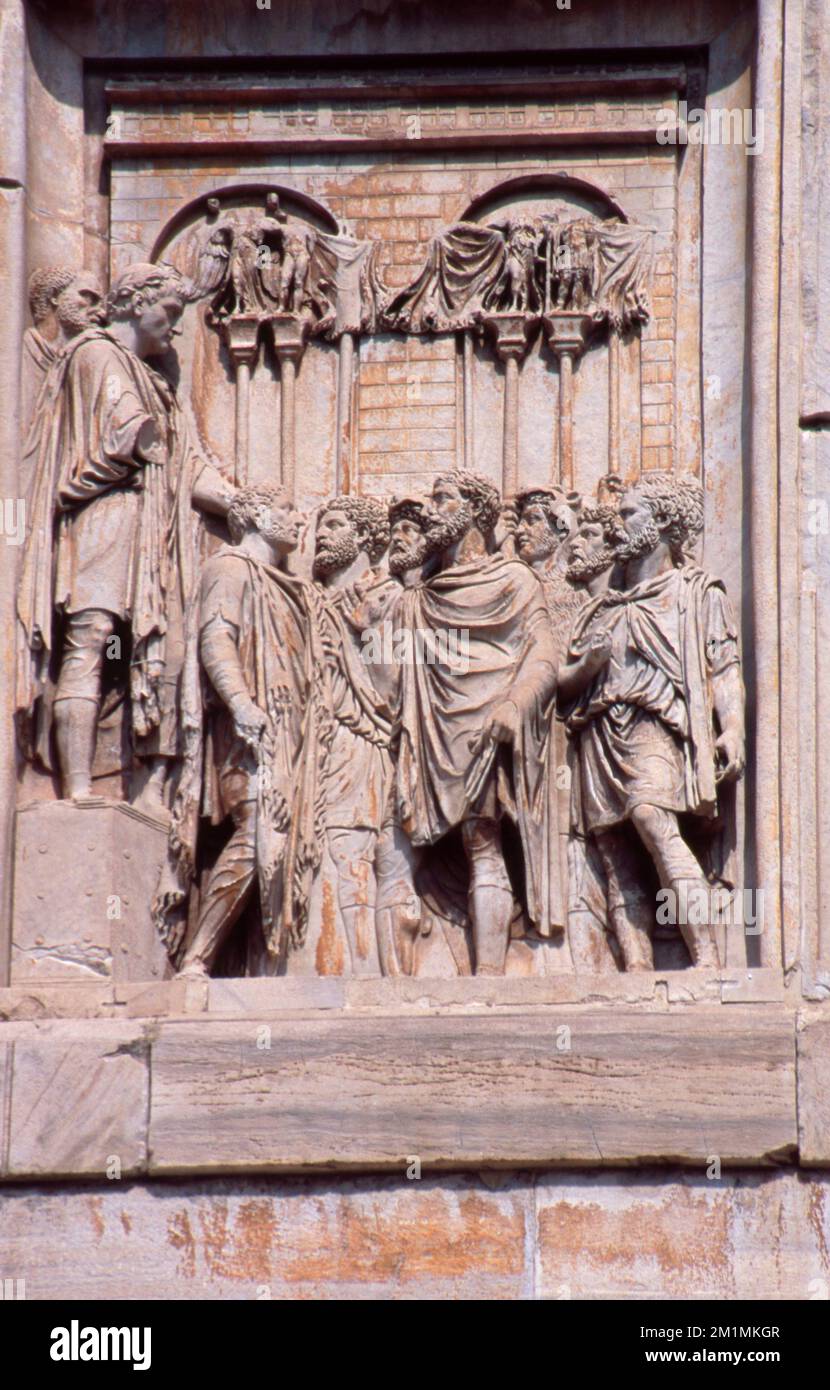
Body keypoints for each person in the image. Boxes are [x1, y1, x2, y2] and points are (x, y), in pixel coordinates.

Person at [560, 473, 745, 970]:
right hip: (600, 732)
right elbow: (565, 685)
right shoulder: (601, 608)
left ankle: (707, 958)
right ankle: (637, 972)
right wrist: (585, 667)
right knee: (614, 853)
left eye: (628, 515)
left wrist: (732, 727)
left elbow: (723, 666)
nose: (617, 527)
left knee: (652, 819)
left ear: (663, 520)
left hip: (656, 724)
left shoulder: (696, 592)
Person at [394, 469, 557, 975]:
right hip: (429, 735)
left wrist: (515, 702)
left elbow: (544, 653)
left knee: (481, 840)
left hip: (488, 724)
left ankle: (489, 976)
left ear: (474, 510)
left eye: (443, 498)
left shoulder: (513, 579)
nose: (431, 508)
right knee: (393, 851)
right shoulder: (420, 597)